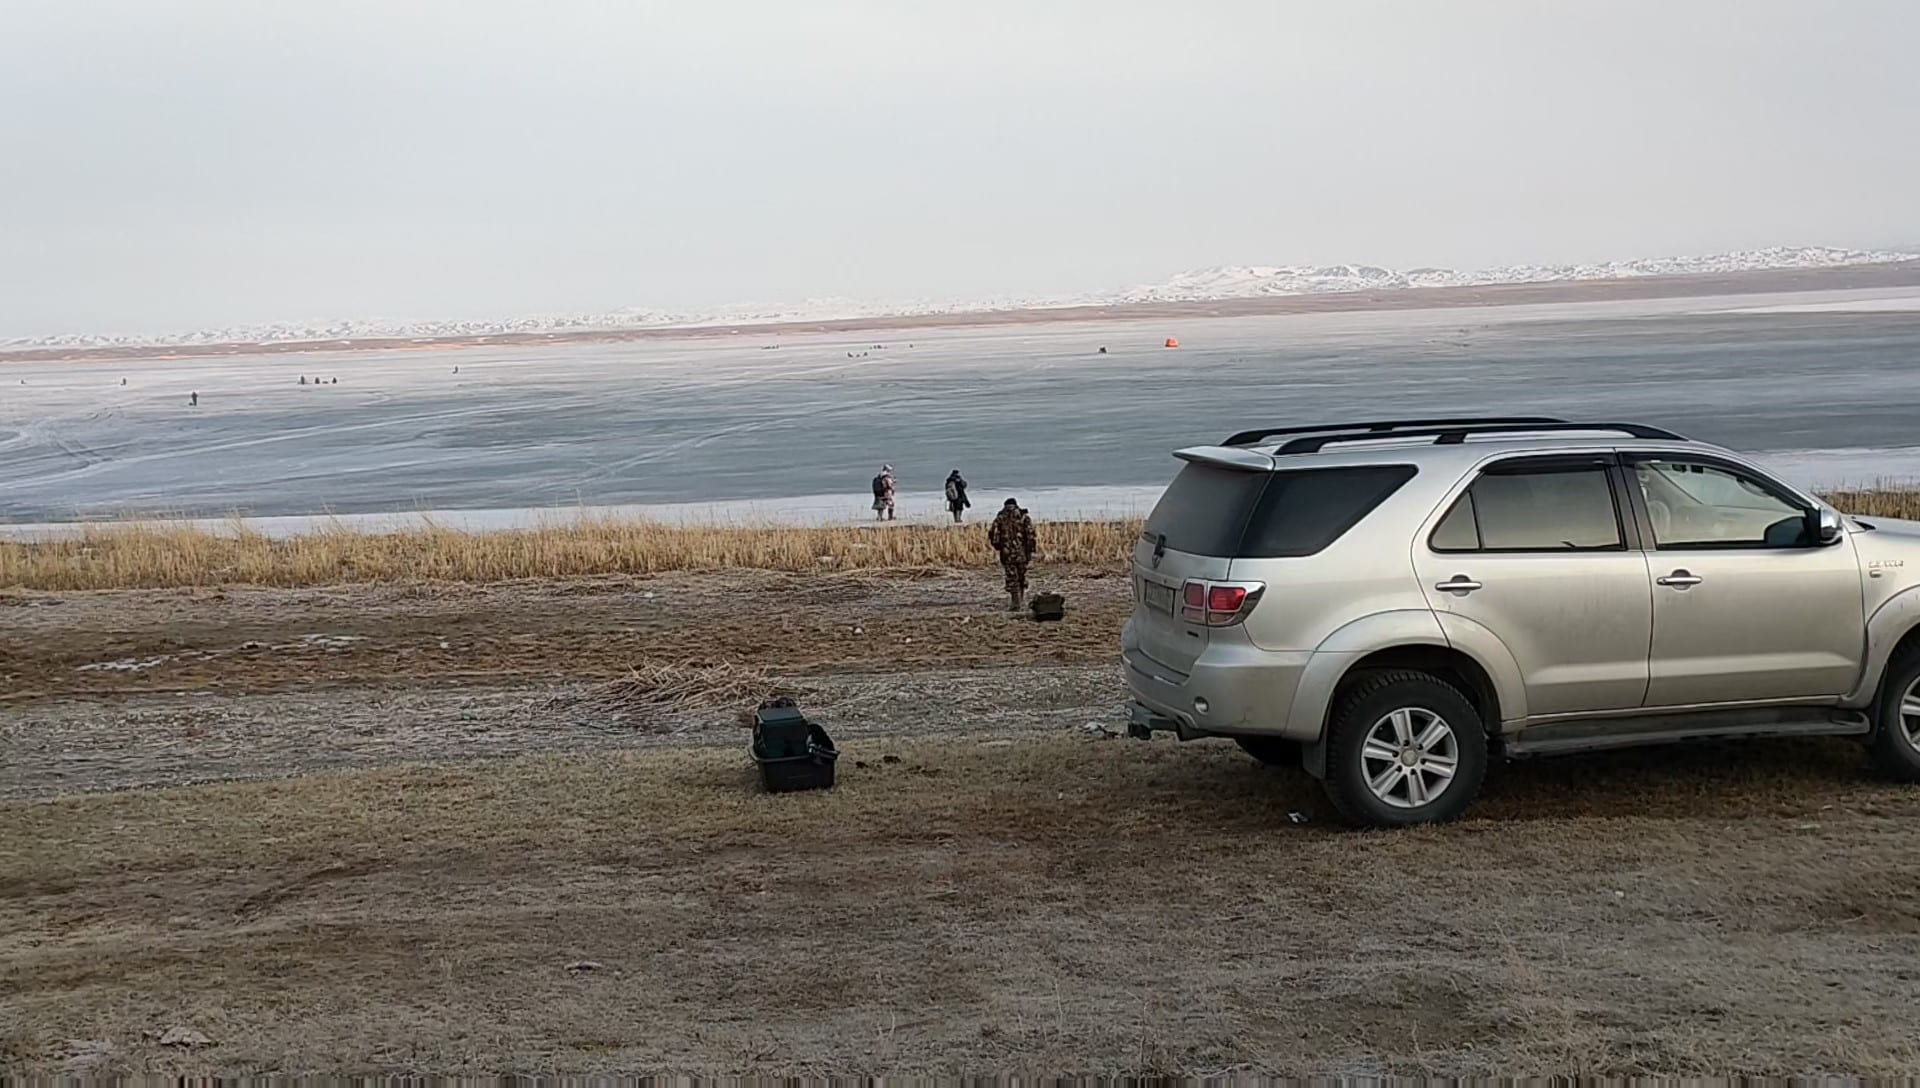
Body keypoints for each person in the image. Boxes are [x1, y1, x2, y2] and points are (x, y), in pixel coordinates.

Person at [987, 498, 1038, 612]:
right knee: (1021, 576)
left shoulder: (1000, 518)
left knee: (1011, 577)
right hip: (1022, 553)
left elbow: (994, 536)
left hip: (1007, 554)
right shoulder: (1024, 517)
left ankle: (1016, 603)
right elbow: (1031, 536)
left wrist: (1000, 547)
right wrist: (1030, 550)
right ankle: (1021, 599)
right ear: (1016, 505)